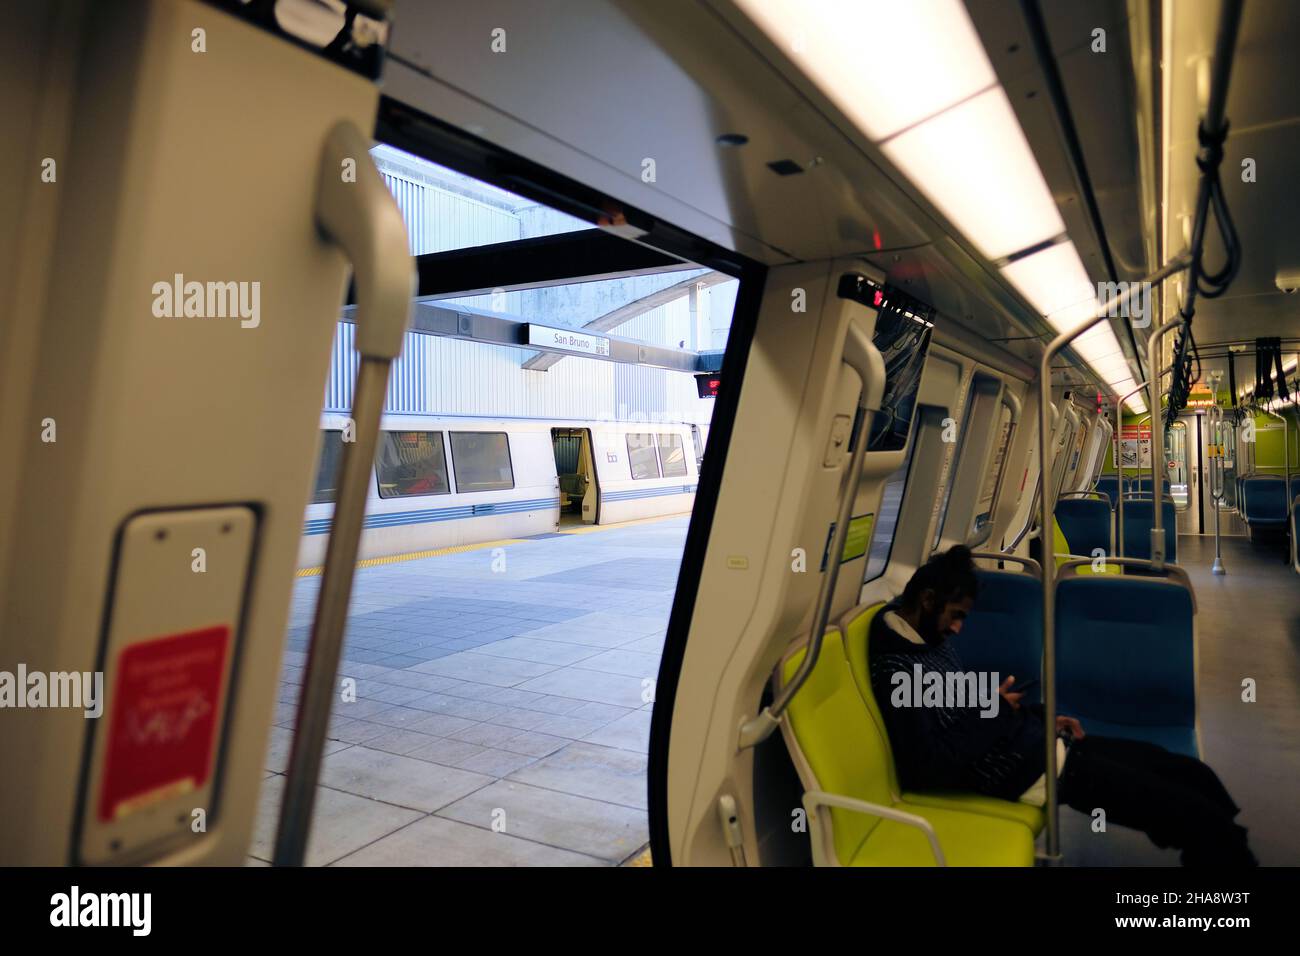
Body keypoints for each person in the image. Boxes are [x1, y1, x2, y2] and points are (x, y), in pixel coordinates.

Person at [868, 544, 1257, 867]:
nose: (958, 629)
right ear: (927, 599)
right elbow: (930, 763)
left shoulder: (928, 642)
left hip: (1039, 743)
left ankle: (1230, 846)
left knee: (1190, 774)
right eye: (956, 617)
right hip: (1034, 773)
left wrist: (1039, 715)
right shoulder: (898, 671)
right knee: (1197, 820)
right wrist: (998, 710)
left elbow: (960, 713)